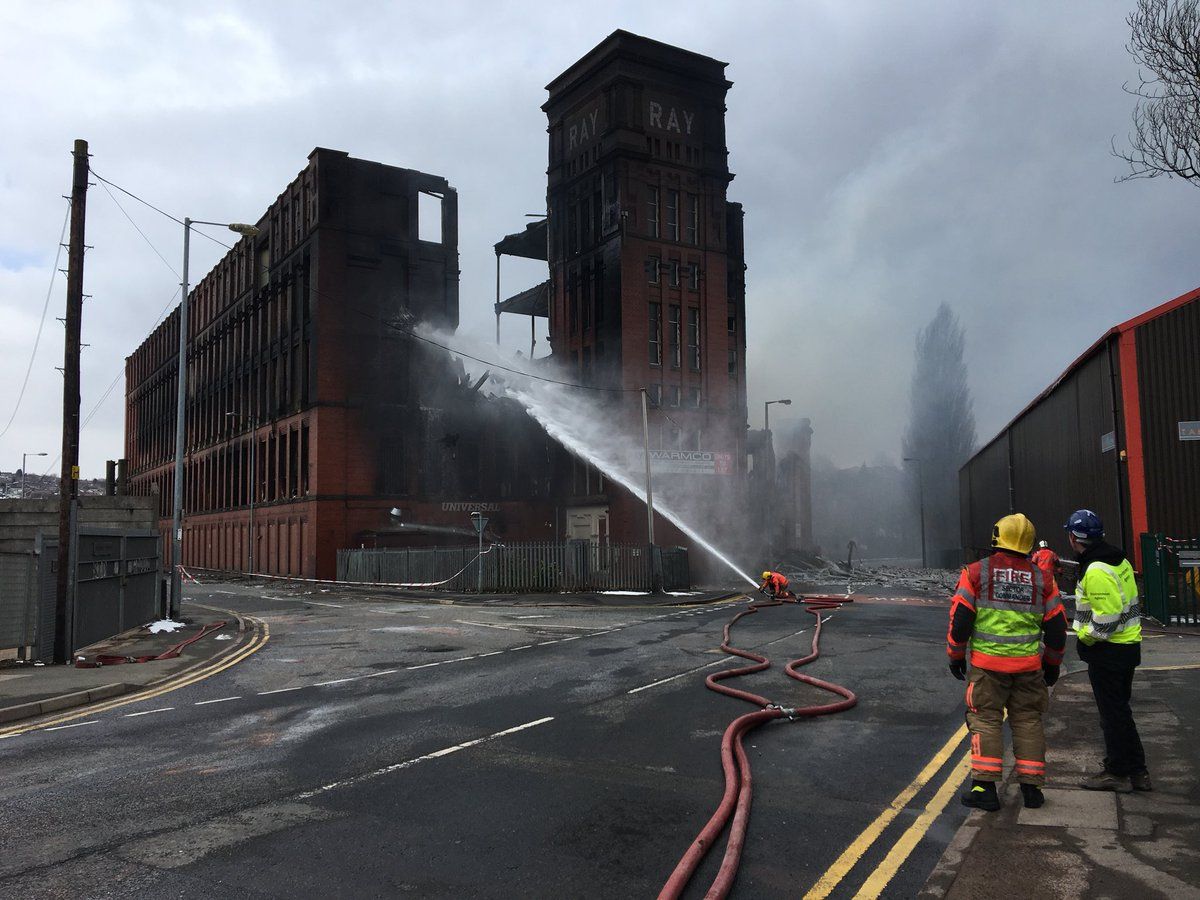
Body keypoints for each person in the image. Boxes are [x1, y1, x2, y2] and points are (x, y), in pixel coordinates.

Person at [947, 513, 1067, 811]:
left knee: (985, 721)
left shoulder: (976, 573)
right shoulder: (1042, 579)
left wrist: (955, 655)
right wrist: (1052, 665)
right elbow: (1056, 628)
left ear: (997, 537)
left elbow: (961, 620)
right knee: (1027, 721)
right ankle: (1032, 790)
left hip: (988, 668)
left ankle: (984, 789)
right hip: (1028, 668)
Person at [1064, 509, 1151, 792]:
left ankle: (1120, 772)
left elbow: (1106, 622)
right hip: (1126, 647)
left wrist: (1084, 637)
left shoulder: (1097, 569)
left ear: (1074, 538)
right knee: (1120, 712)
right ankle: (1137, 772)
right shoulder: (1117, 559)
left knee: (1113, 715)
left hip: (1109, 651)